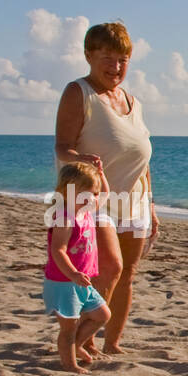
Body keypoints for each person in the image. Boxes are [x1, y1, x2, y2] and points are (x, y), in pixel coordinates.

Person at [54, 20, 158, 354]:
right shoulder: (78, 93)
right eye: (108, 58)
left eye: (123, 60)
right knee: (107, 269)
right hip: (93, 201)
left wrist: (152, 206)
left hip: (135, 201)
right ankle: (76, 340)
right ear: (89, 55)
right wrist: (80, 157)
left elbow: (142, 157)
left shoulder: (133, 102)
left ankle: (111, 343)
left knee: (127, 273)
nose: (116, 67)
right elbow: (62, 148)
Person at [44, 160, 111, 373]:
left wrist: (101, 174)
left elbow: (106, 194)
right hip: (64, 281)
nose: (93, 198)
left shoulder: (86, 211)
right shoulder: (65, 217)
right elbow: (58, 250)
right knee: (69, 328)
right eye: (87, 193)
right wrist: (72, 273)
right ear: (68, 191)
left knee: (102, 315)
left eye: (94, 193)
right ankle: (69, 363)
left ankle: (77, 346)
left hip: (81, 281)